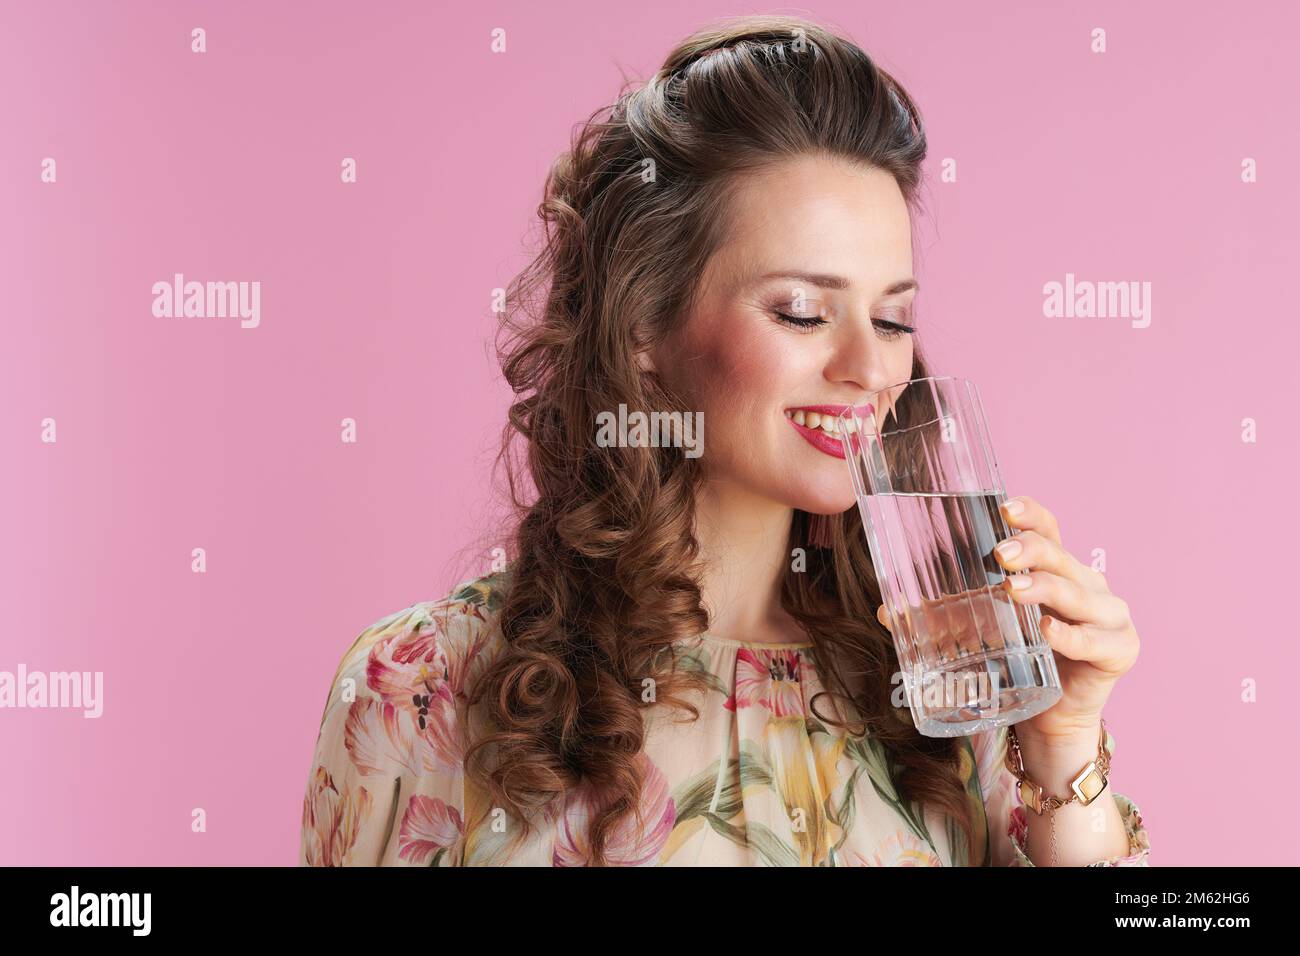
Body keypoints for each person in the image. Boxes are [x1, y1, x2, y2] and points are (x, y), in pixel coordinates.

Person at [300, 13, 1150, 867]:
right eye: (802, 312)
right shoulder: (423, 686)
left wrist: (1064, 747)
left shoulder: (948, 694)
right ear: (643, 326)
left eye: (892, 318)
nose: (869, 366)